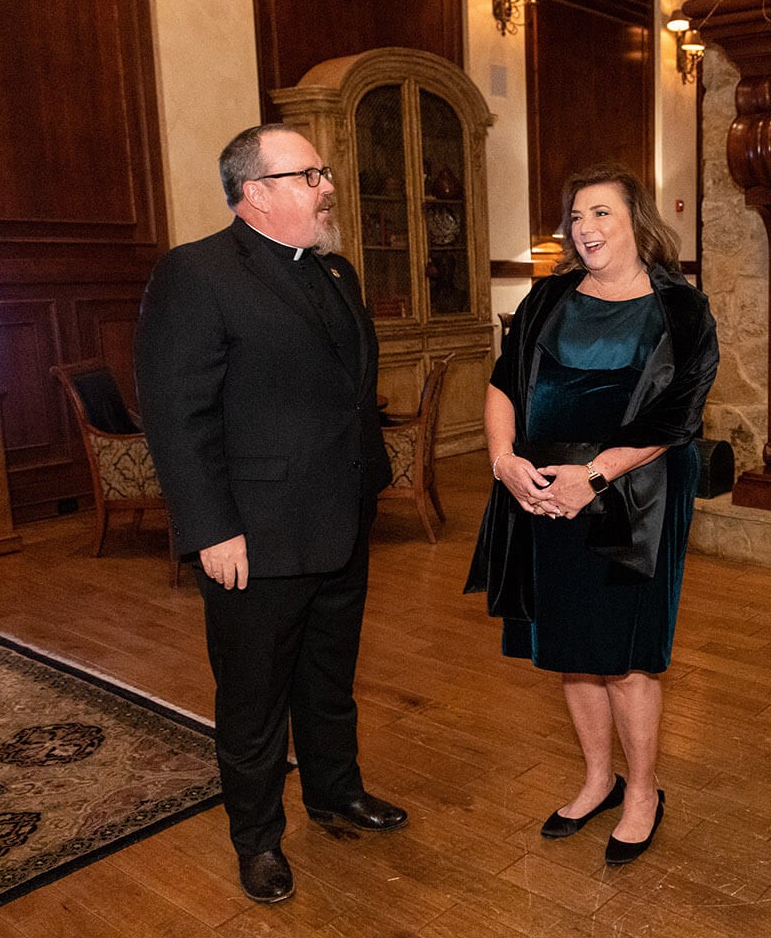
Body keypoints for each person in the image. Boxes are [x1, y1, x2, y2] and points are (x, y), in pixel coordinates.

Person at [135, 123, 408, 905]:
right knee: (253, 703)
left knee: (328, 680)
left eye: (322, 172)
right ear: (254, 193)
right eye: (308, 174)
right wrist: (210, 527)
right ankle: (257, 841)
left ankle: (336, 793)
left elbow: (348, 392)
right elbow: (177, 413)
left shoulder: (334, 272)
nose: (327, 186)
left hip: (339, 520)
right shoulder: (196, 272)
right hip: (251, 537)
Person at [466, 164, 718, 867]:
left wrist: (595, 475)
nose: (585, 228)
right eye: (576, 216)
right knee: (571, 649)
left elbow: (678, 418)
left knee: (626, 654)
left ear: (637, 221)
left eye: (601, 213)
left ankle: (642, 792)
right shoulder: (547, 296)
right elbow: (502, 385)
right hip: (541, 491)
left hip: (635, 495)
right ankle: (596, 780)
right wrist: (502, 460)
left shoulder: (680, 307)